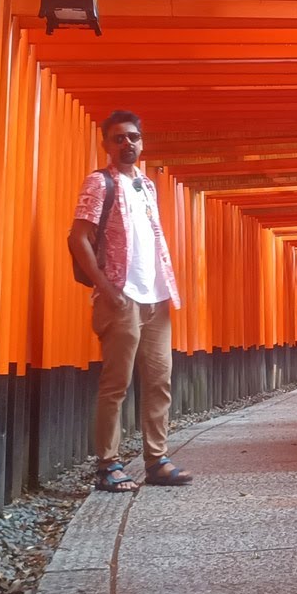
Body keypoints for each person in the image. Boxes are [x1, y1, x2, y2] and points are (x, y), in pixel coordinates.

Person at [68, 110, 193, 492]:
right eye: (119, 138)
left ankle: (157, 460)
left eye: (134, 137)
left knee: (159, 381)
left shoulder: (147, 186)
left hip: (155, 297)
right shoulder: (99, 183)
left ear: (142, 142)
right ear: (106, 144)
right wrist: (106, 288)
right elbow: (78, 238)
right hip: (121, 297)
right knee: (116, 384)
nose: (128, 144)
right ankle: (108, 464)